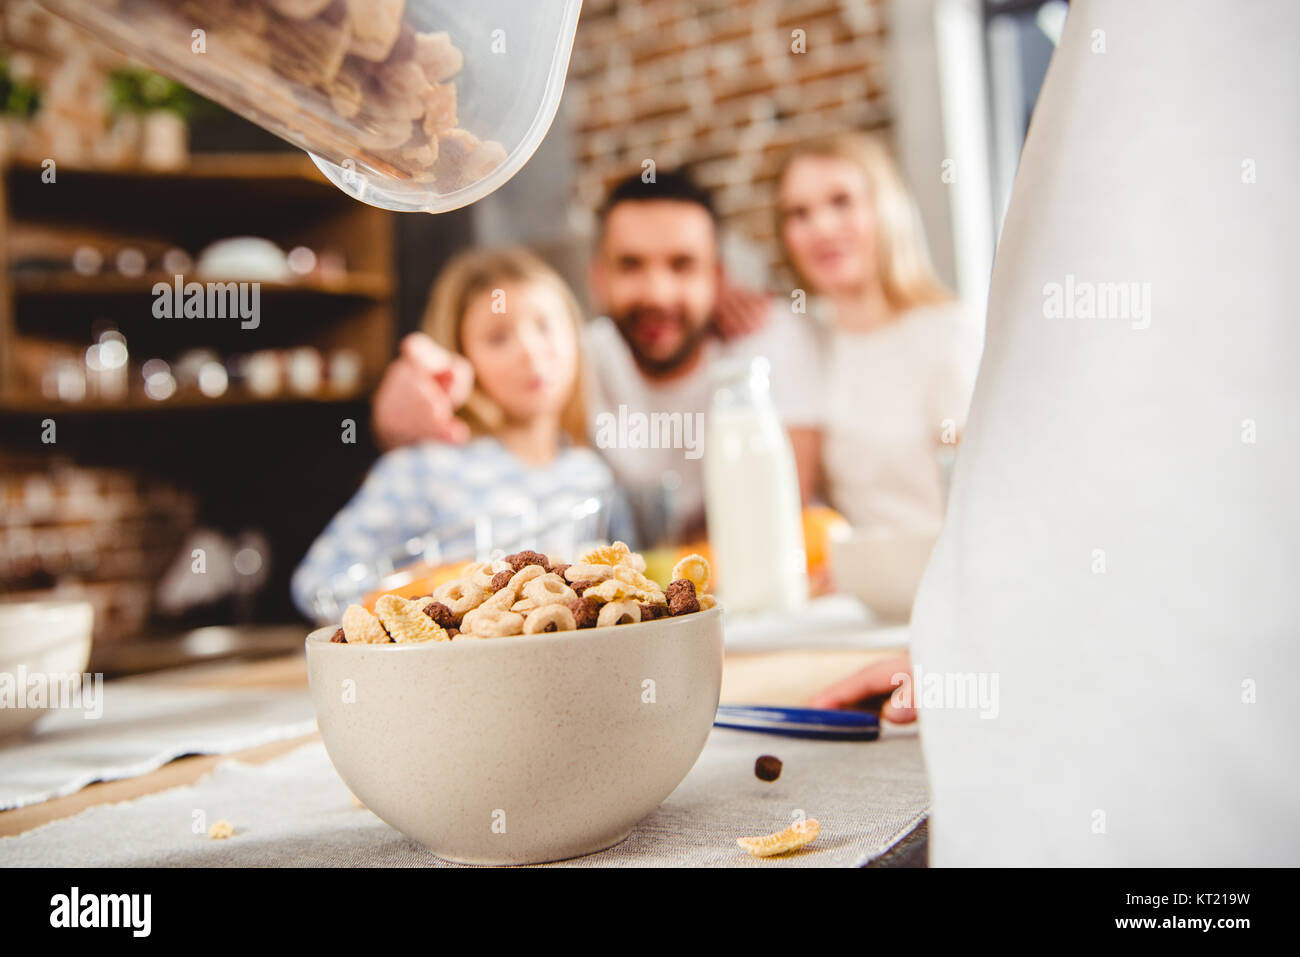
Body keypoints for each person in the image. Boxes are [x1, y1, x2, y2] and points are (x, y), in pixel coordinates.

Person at [371, 170, 825, 547]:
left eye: (682, 265)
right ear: (598, 280)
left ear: (719, 279)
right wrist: (398, 411)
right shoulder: (569, 360)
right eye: (631, 265)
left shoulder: (766, 342)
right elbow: (472, 419)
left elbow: (783, 510)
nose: (657, 293)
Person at [291, 247, 634, 621]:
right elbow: (316, 586)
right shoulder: (423, 469)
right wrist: (428, 603)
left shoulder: (591, 474)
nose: (531, 352)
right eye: (498, 338)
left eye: (545, 325)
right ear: (460, 357)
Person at [773, 132, 984, 531]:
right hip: (860, 585)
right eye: (798, 214)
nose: (821, 227)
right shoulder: (804, 335)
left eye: (841, 202)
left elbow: (981, 500)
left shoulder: (949, 333)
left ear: (885, 209)